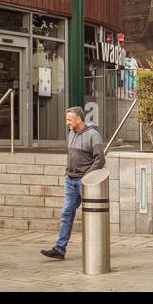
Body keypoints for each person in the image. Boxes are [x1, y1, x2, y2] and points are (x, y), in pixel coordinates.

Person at [42, 106, 104, 260]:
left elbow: (100, 160)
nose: (67, 123)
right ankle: (60, 249)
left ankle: (98, 249)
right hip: (71, 180)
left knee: (93, 215)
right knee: (66, 213)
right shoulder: (71, 133)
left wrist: (87, 178)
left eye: (70, 119)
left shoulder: (93, 135)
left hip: (85, 182)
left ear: (78, 119)